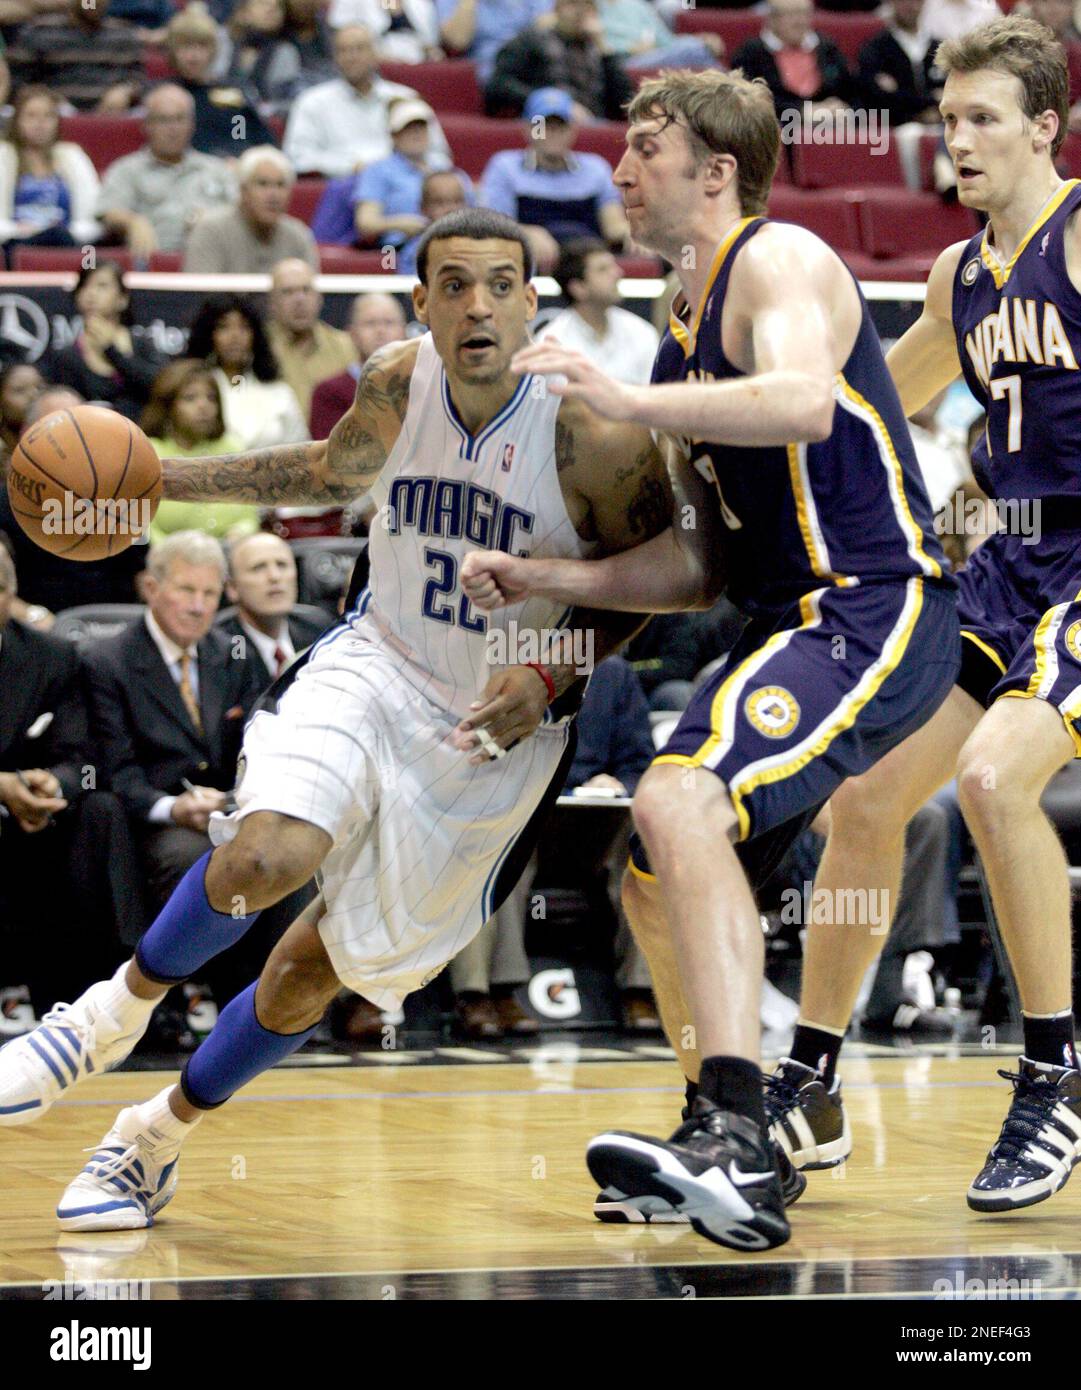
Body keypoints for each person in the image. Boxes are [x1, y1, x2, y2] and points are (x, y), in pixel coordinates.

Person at [0, 209, 680, 1236]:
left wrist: (546, 675)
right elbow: (328, 473)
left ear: (533, 303)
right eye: (452, 284)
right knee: (266, 851)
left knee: (313, 970)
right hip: (378, 662)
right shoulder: (399, 381)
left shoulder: (592, 427)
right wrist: (156, 480)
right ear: (421, 304)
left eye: (501, 282)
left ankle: (154, 1135)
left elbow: (652, 585)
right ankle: (104, 1014)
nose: (477, 304)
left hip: (494, 730)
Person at [460, 68, 959, 1248]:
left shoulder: (779, 261)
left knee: (676, 796)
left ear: (717, 169)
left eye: (646, 148)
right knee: (650, 863)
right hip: (783, 617)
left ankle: (736, 1130)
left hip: (871, 601)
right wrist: (555, 582)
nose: (619, 169)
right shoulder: (679, 321)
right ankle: (724, 1125)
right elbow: (694, 570)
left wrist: (623, 396)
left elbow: (802, 404)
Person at [748, 14, 1081, 1218]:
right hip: (1000, 559)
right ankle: (812, 1080)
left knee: (994, 780)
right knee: (866, 794)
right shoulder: (959, 273)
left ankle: (1052, 1074)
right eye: (948, 119)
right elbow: (871, 400)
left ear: (1046, 125)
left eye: (985, 117)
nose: (959, 140)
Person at [479, 87, 629, 272]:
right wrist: (525, 233)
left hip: (588, 265)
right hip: (532, 261)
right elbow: (494, 226)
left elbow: (613, 225)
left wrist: (633, 236)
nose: (552, 132)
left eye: (560, 126)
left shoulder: (595, 168)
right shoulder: (505, 167)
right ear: (528, 129)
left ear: (573, 130)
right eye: (542, 126)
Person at [283, 24, 451, 178]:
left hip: (404, 187)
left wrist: (407, 168)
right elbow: (298, 158)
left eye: (360, 49)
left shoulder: (408, 98)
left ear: (377, 53)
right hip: (343, 186)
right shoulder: (311, 102)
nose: (352, 57)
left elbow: (440, 156)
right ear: (334, 57)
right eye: (344, 50)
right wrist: (351, 167)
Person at [95, 84, 237, 259]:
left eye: (179, 119)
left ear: (192, 124)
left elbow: (242, 213)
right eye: (164, 120)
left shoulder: (217, 169)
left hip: (213, 263)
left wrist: (213, 221)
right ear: (147, 125)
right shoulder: (127, 169)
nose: (173, 129)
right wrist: (132, 222)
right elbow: (107, 212)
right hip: (150, 262)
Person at [141, 359, 258, 544]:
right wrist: (166, 550)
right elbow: (141, 523)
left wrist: (240, 533)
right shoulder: (147, 453)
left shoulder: (233, 449)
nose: (203, 406)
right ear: (168, 406)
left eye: (211, 398)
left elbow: (250, 515)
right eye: (190, 398)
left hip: (230, 554)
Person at [47, 261, 167, 423]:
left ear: (122, 299)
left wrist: (112, 351)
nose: (90, 294)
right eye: (84, 286)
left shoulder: (142, 344)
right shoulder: (66, 356)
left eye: (102, 286)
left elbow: (161, 388)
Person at [187, 293, 309, 450]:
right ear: (209, 335)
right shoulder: (191, 390)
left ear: (255, 335)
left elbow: (300, 453)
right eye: (223, 327)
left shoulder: (280, 392)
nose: (235, 336)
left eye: (244, 327)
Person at [485, 0, 633, 121]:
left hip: (590, 127)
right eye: (572, 4)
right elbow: (498, 85)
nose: (579, 12)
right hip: (542, 122)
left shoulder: (598, 50)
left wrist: (603, 46)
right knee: (542, 128)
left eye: (587, 6)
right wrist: (555, 103)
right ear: (556, 8)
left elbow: (627, 104)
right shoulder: (531, 40)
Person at [164, 3, 279, 158]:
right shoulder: (163, 97)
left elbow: (243, 136)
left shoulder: (232, 94)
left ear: (213, 50)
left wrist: (237, 155)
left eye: (201, 46)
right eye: (185, 47)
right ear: (172, 51)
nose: (193, 56)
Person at [539, 237, 659, 385]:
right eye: (603, 269)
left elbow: (653, 395)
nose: (618, 273)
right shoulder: (553, 343)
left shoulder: (642, 332)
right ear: (578, 288)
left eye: (613, 266)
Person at [0, 85, 102, 259]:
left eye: (48, 116)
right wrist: (18, 230)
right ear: (17, 120)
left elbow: (93, 218)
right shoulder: (3, 155)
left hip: (67, 240)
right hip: (16, 241)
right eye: (31, 115)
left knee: (90, 257)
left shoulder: (73, 156)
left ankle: (86, 284)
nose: (40, 123)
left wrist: (69, 232)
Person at [183, 147, 318, 275]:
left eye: (280, 185)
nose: (273, 195)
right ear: (243, 191)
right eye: (263, 184)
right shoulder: (210, 231)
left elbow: (311, 296)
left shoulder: (299, 237)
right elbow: (199, 295)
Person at [218, 531, 328, 687]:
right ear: (232, 588)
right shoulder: (220, 645)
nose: (274, 576)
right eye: (258, 568)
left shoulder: (318, 628)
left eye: (282, 565)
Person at [7, 0, 142, 113]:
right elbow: (18, 83)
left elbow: (139, 79)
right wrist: (45, 97)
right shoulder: (40, 32)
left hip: (111, 119)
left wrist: (126, 91)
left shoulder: (124, 34)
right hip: (54, 118)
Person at [731, 0, 856, 120]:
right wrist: (799, 111)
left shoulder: (827, 48)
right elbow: (748, 99)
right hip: (777, 129)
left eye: (804, 14)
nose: (799, 22)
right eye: (791, 15)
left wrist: (841, 108)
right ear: (772, 19)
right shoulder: (751, 53)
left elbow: (849, 89)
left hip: (830, 126)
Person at [354, 100, 453, 251]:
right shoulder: (378, 170)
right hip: (399, 246)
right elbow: (365, 223)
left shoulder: (444, 169)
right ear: (394, 136)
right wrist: (401, 224)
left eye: (421, 128)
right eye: (408, 129)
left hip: (447, 239)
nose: (416, 134)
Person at [265, 259, 356, 419]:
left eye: (306, 290)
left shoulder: (347, 346)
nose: (299, 300)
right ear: (272, 303)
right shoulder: (260, 348)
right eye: (288, 292)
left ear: (319, 298)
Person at [309, 292, 407, 439]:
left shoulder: (422, 386)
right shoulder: (329, 393)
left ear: (404, 331)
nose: (380, 331)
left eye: (389, 322)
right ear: (352, 333)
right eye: (370, 323)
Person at [327, 0, 442, 64]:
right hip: (373, 68)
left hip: (416, 68)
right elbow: (340, 38)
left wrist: (431, 52)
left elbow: (430, 43)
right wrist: (374, 55)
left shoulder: (421, 4)